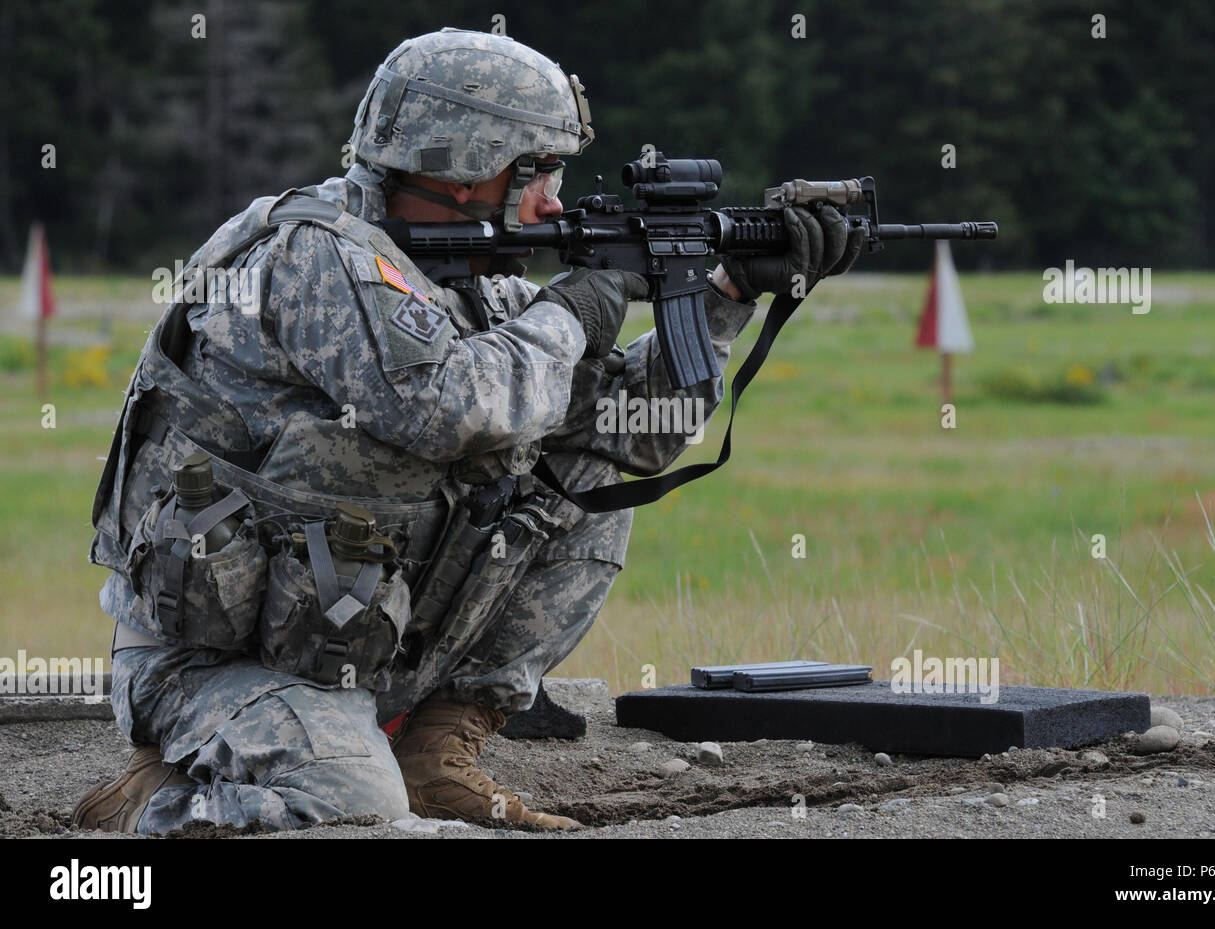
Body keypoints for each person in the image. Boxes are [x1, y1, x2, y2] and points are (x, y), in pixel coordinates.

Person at [74, 27, 863, 835]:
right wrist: (573, 308)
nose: (554, 199)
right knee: (355, 812)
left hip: (348, 639)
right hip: (216, 660)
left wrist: (728, 293)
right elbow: (447, 407)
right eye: (538, 171)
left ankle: (436, 753)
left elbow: (625, 432)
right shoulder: (313, 255)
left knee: (588, 479)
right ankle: (163, 794)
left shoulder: (472, 279)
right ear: (466, 162)